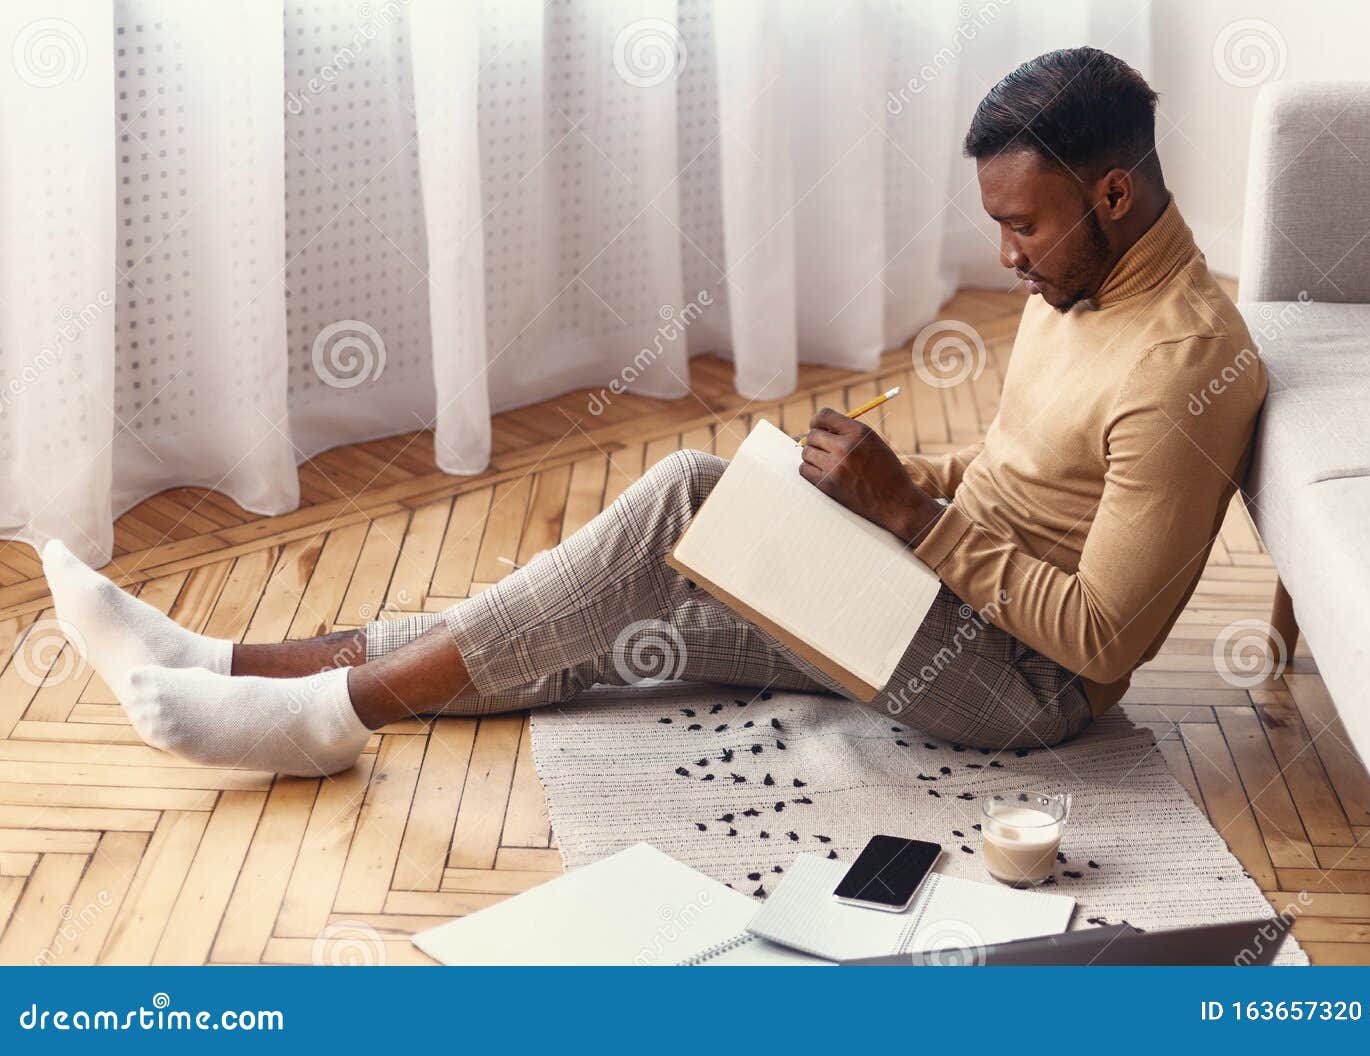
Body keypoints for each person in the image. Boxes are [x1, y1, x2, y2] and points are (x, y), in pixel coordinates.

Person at [41, 48, 1265, 777]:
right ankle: (235, 668)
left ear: (1113, 192)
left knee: (685, 500)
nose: (1006, 255)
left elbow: (1102, 643)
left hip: (1013, 686)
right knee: (624, 593)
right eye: (996, 222)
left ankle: (332, 713)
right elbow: (1019, 477)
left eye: (1023, 225)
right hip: (938, 592)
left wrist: (905, 515)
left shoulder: (1180, 369)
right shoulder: (1079, 272)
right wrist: (903, 484)